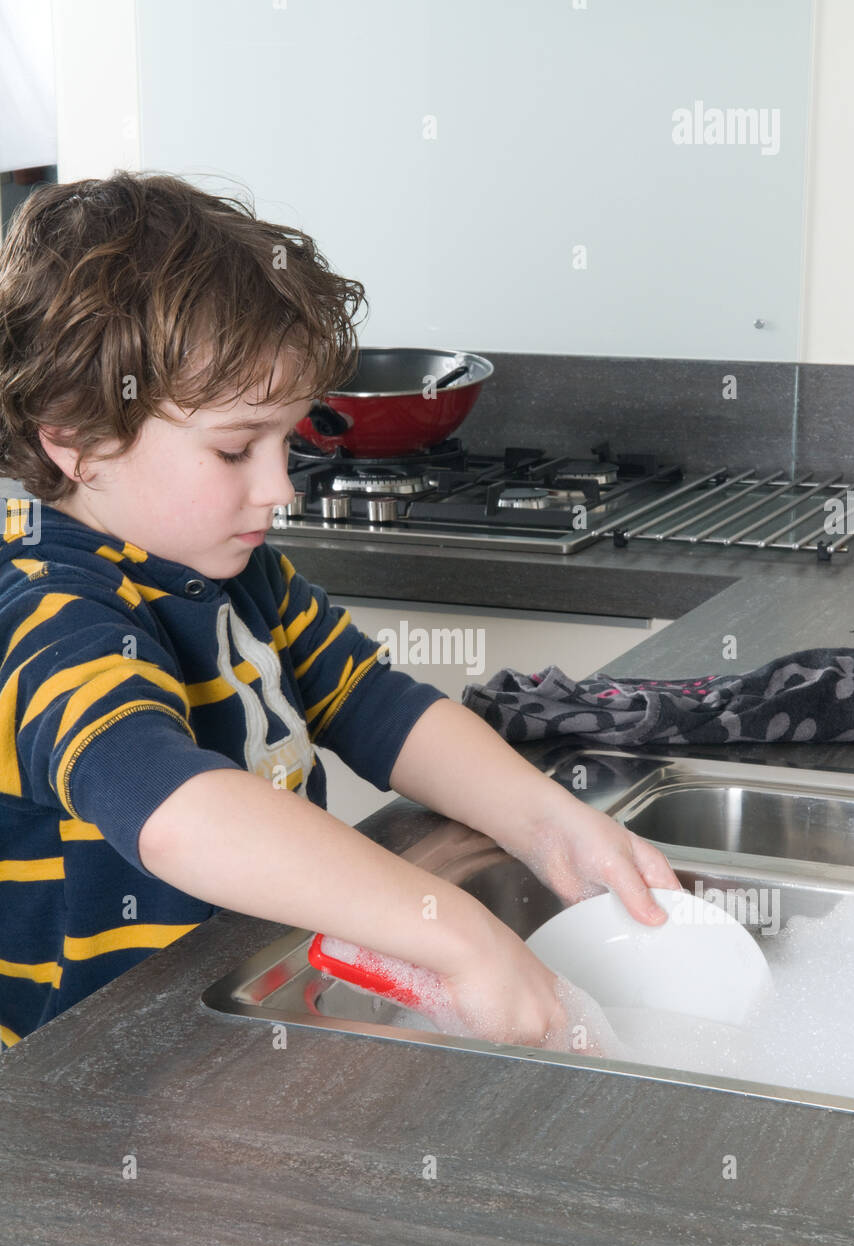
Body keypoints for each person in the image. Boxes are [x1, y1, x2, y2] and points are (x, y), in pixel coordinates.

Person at [0, 171, 679, 1053]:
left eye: (289, 440)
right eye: (237, 449)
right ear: (80, 441)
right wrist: (458, 934)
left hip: (223, 1012)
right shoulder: (45, 613)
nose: (279, 486)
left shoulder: (240, 576)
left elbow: (378, 707)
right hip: (85, 1084)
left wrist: (548, 822)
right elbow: (178, 817)